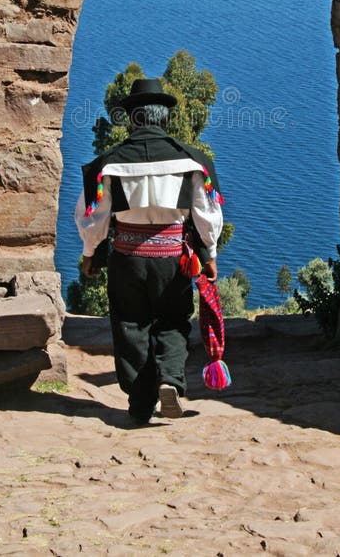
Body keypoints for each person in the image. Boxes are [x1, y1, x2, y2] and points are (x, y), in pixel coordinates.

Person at [75, 78, 224, 424]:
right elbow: (207, 213)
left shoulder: (108, 165)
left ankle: (140, 404)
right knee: (172, 322)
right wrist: (210, 254)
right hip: (175, 259)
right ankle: (170, 380)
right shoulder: (191, 163)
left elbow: (93, 215)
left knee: (131, 326)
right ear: (163, 119)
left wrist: (90, 254)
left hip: (127, 259)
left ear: (133, 119)